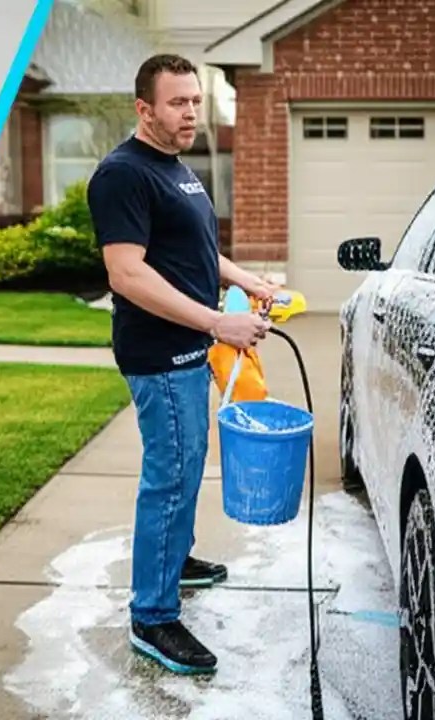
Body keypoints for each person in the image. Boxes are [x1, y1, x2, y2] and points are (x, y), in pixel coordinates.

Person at [86, 53, 275, 675]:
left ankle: (176, 561)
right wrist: (219, 322)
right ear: (145, 109)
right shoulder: (122, 175)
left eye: (195, 100)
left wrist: (250, 280)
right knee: (170, 475)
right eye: (178, 103)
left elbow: (197, 251)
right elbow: (127, 273)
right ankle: (153, 616)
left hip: (190, 349)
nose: (191, 111)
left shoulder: (177, 170)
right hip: (160, 355)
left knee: (188, 464)